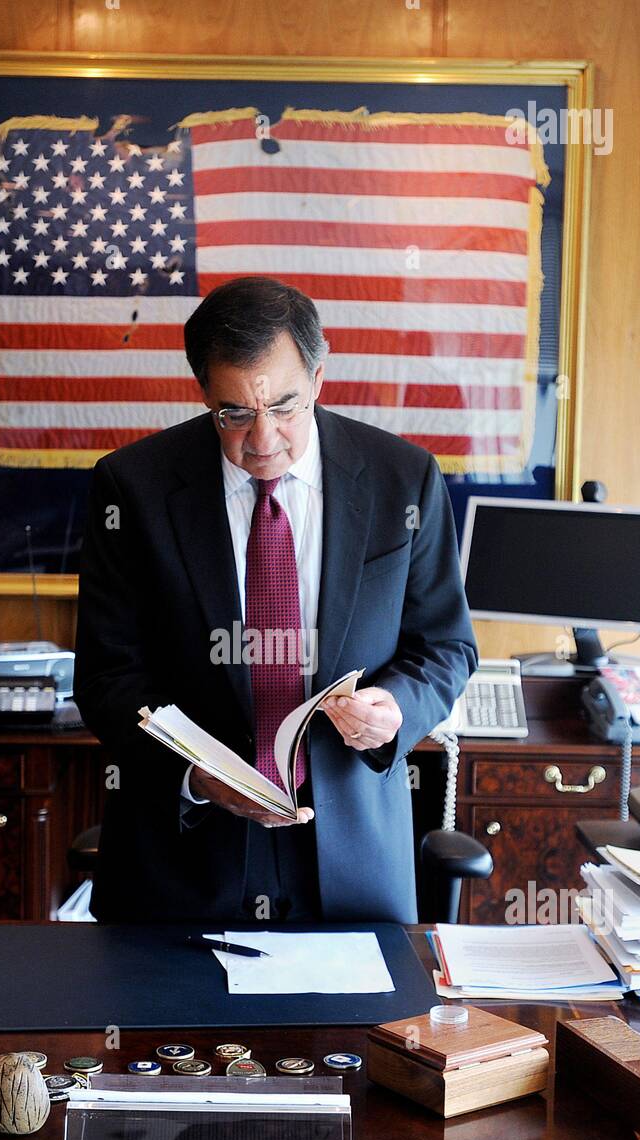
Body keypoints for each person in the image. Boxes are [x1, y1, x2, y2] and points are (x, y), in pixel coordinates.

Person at [74, 276, 477, 923]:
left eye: (284, 406)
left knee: (355, 1031)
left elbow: (445, 646)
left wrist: (394, 708)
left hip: (353, 856)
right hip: (181, 858)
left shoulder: (402, 478)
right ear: (203, 392)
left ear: (318, 378)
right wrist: (192, 775)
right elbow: (105, 675)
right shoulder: (132, 488)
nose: (262, 440)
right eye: (233, 412)